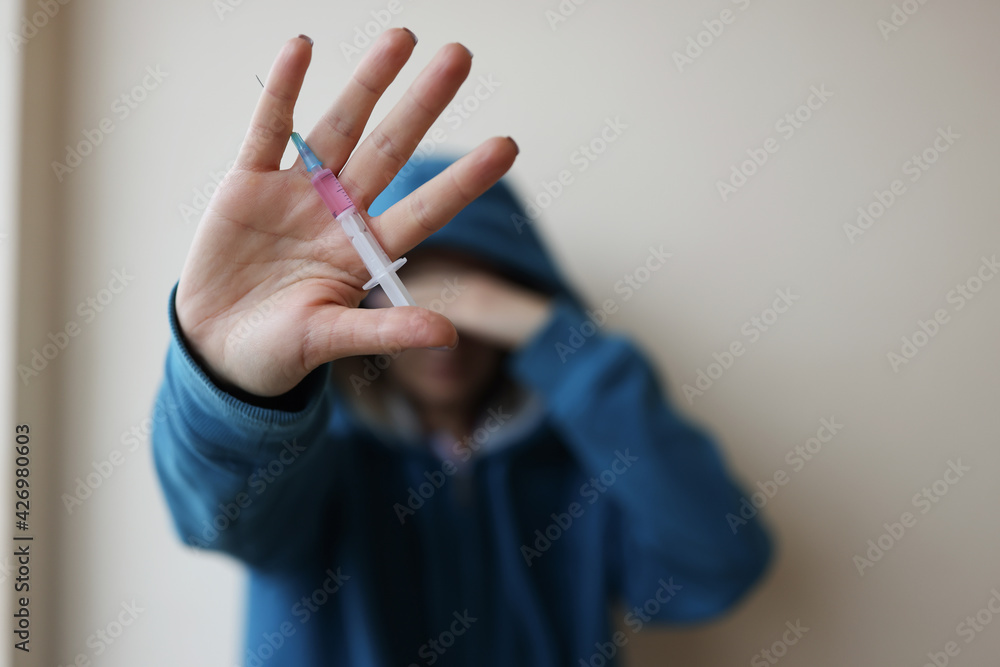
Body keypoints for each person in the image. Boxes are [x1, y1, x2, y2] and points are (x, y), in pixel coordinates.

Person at [151, 30, 772, 666]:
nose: (439, 328)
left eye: (477, 298)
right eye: (412, 288)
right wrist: (234, 390)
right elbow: (217, 519)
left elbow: (717, 566)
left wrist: (561, 343)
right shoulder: (315, 465)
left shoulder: (581, 472)